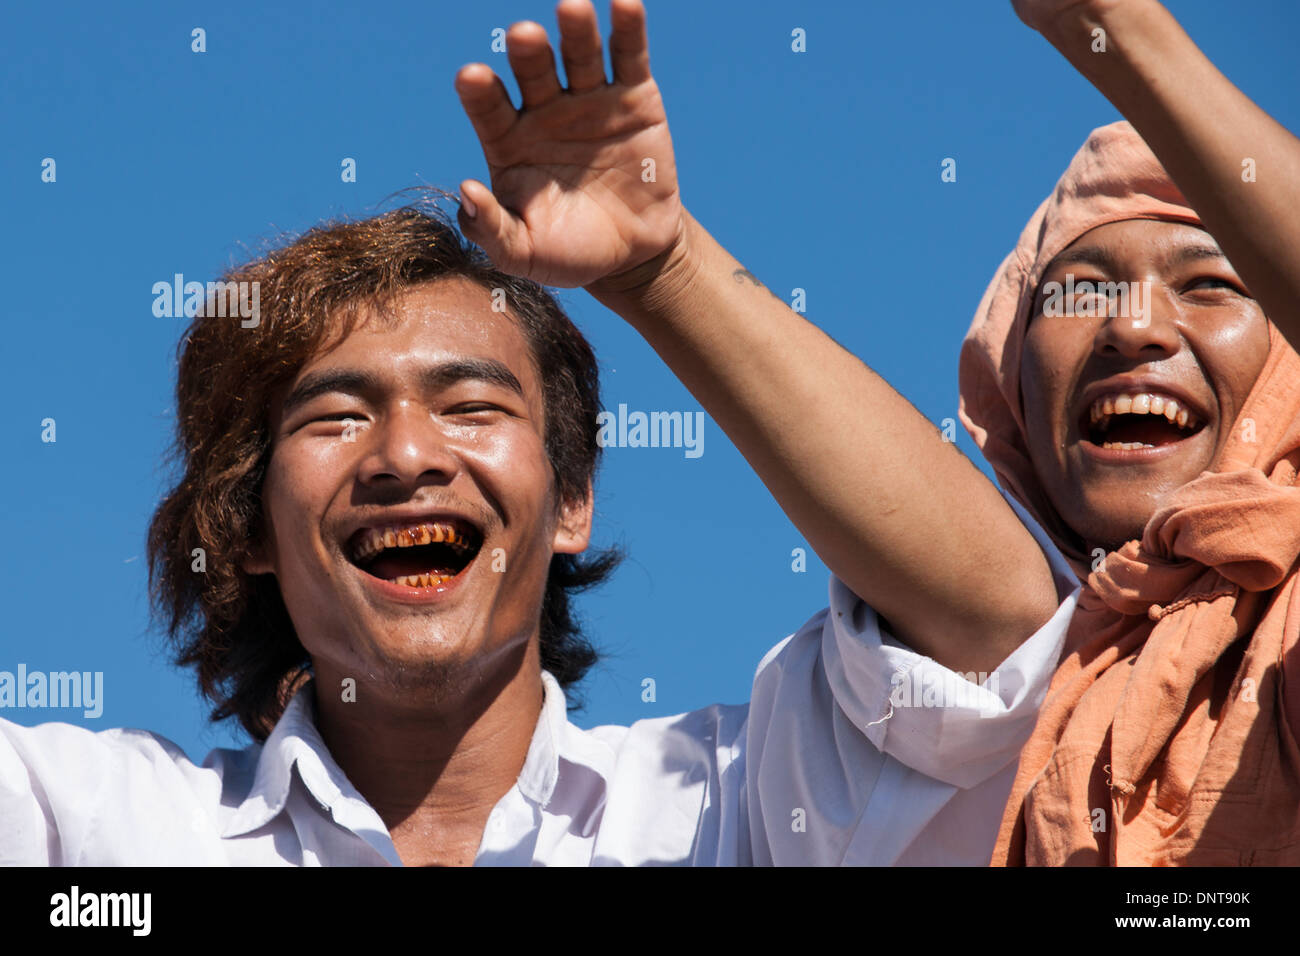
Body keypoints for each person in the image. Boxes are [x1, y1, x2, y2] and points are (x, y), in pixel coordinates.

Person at [0, 0, 1076, 866]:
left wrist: (666, 272)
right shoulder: (96, 832)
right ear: (245, 527)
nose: (407, 456)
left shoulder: (739, 805)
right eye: (335, 415)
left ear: (571, 502)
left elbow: (994, 625)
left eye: (472, 407)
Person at [960, 0, 1300, 864]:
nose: (1132, 326)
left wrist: (1109, 23)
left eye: (1212, 285)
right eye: (1077, 291)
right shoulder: (975, 706)